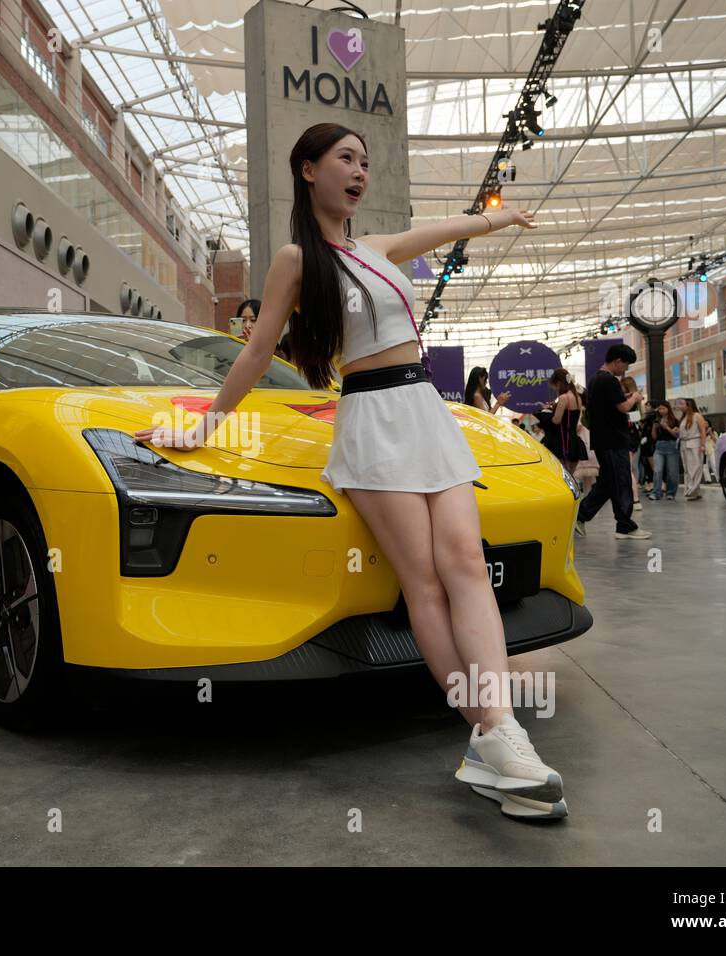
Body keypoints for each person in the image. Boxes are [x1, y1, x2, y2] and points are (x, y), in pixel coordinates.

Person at [133, 122, 566, 820]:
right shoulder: (294, 260)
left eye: (366, 161)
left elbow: (442, 227)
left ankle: (499, 733)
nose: (360, 172)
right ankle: (491, 733)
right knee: (421, 580)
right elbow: (254, 353)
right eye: (346, 159)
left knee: (463, 557)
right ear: (309, 170)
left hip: (426, 408)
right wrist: (204, 425)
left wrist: (497, 217)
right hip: (371, 420)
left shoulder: (378, 248)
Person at [574, 344, 651, 539]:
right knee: (621, 481)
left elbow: (610, 403)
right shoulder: (609, 380)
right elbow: (624, 408)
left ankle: (581, 516)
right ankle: (624, 525)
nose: (625, 370)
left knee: (609, 483)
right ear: (617, 361)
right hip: (613, 440)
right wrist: (633, 397)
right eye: (625, 365)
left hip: (603, 440)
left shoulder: (596, 380)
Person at [536, 368, 587, 474]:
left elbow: (556, 420)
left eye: (555, 387)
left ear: (559, 383)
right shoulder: (578, 397)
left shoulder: (564, 398)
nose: (555, 389)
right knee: (570, 477)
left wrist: (546, 413)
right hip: (574, 441)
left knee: (560, 476)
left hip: (561, 442)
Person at [676, 397, 708, 499]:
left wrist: (703, 445)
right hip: (684, 444)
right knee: (687, 469)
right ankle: (694, 491)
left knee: (695, 468)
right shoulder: (684, 417)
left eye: (682, 404)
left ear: (688, 405)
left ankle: (692, 490)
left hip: (695, 443)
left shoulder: (697, 416)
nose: (680, 406)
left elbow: (703, 431)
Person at [648, 401, 681, 500]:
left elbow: (676, 436)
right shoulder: (657, 420)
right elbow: (654, 437)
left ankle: (670, 492)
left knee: (672, 472)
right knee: (657, 470)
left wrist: (666, 427)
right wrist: (654, 428)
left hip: (672, 447)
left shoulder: (674, 421)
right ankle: (656, 493)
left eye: (663, 408)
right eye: (660, 409)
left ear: (668, 409)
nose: (661, 411)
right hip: (659, 447)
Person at [620, 376, 643, 511]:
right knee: (631, 468)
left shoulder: (630, 400)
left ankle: (635, 498)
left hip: (628, 435)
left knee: (628, 469)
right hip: (633, 435)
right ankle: (633, 497)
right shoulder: (635, 399)